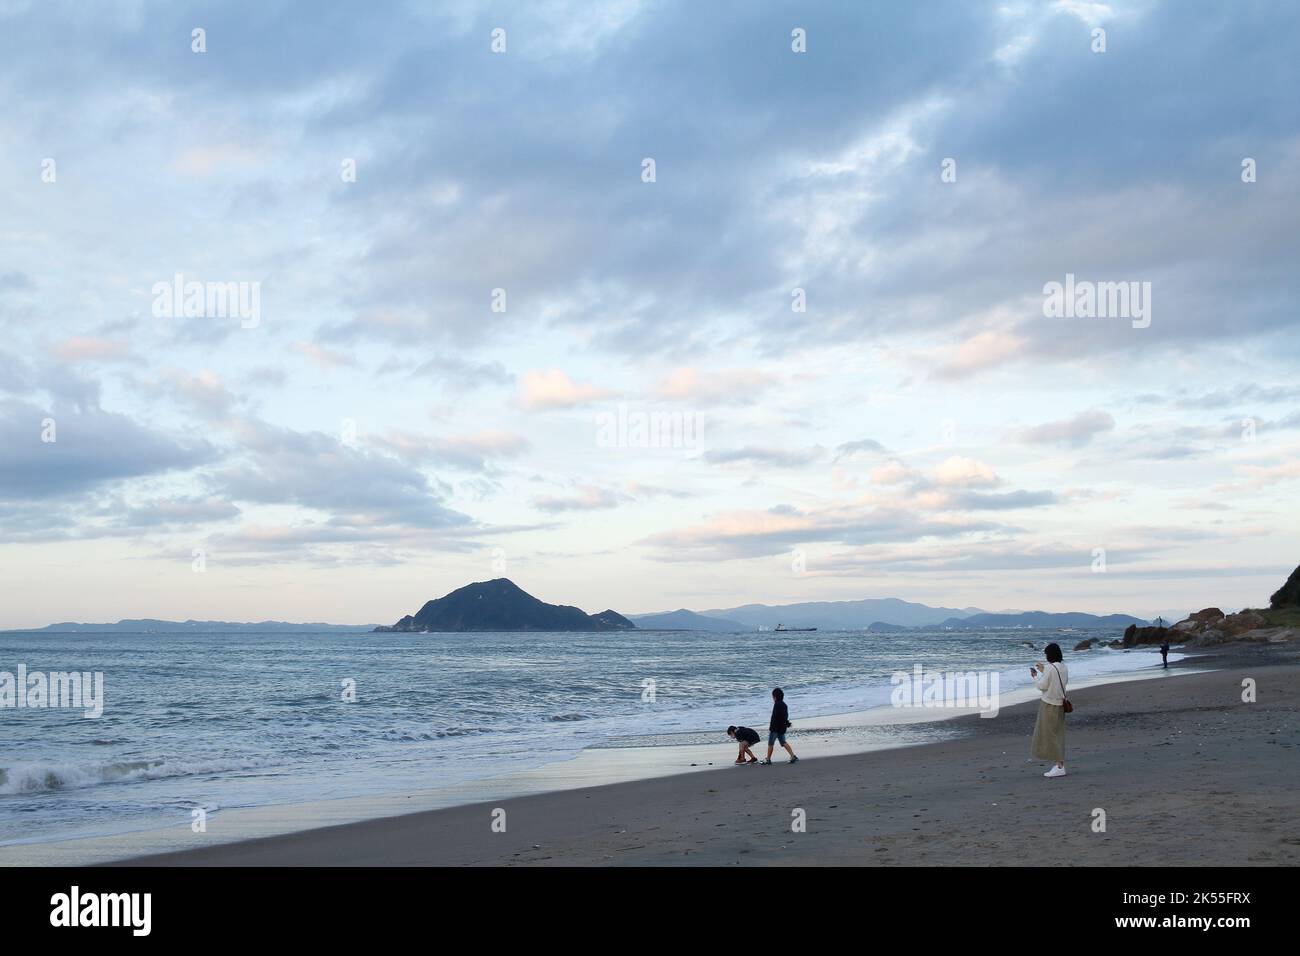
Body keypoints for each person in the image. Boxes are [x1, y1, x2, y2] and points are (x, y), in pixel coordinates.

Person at [1029, 643, 1068, 778]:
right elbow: (1055, 678)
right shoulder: (1063, 667)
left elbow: (1042, 686)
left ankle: (1059, 766)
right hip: (1060, 704)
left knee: (1049, 735)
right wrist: (1043, 670)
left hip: (1049, 704)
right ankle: (1059, 765)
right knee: (1057, 734)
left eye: (1046, 654)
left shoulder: (1051, 668)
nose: (1046, 656)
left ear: (1049, 654)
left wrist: (1034, 676)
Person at [759, 687, 798, 765]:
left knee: (770, 743)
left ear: (775, 697)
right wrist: (786, 723)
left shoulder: (777, 705)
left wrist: (772, 727)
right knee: (783, 742)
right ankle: (793, 756)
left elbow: (776, 717)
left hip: (775, 728)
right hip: (782, 728)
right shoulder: (784, 705)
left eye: (773, 696)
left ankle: (768, 759)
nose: (772, 698)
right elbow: (784, 716)